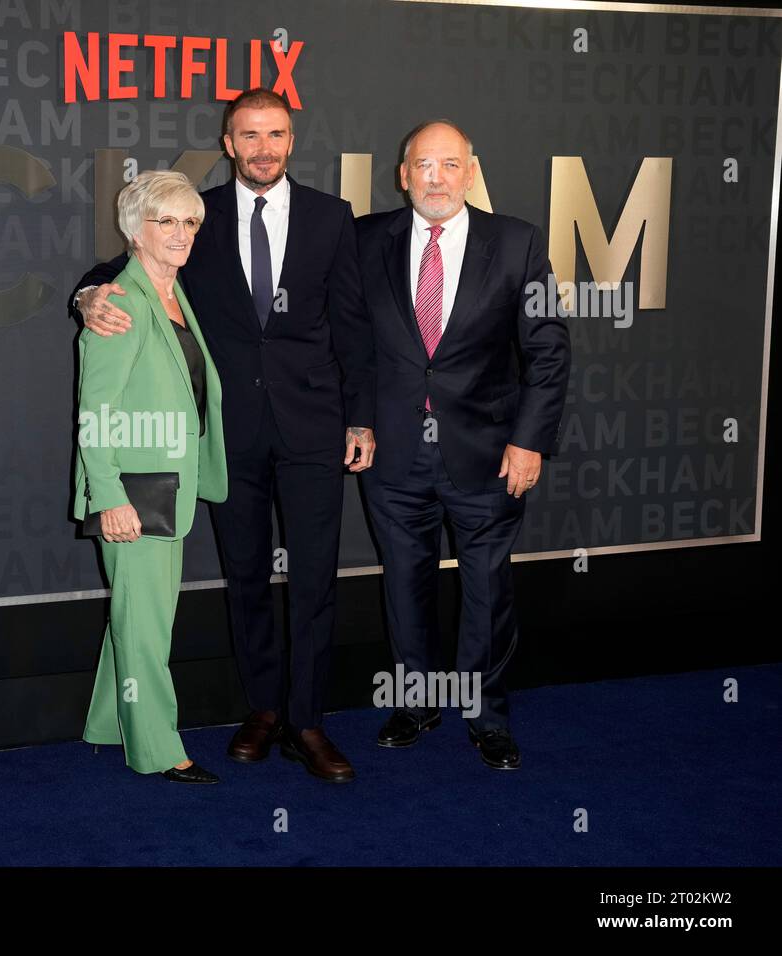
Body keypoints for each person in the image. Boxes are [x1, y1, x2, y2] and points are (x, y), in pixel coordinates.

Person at [72, 88, 374, 783]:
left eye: (276, 134)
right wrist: (85, 297)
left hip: (313, 430)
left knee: (314, 579)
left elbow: (354, 326)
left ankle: (307, 720)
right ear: (229, 142)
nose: (263, 147)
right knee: (245, 577)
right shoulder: (196, 216)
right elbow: (125, 268)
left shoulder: (331, 218)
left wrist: (359, 417)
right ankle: (263, 708)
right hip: (224, 440)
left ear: (291, 140)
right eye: (248, 135)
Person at [356, 120, 570, 769]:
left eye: (450, 165)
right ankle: (417, 702)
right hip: (392, 453)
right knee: (404, 583)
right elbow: (345, 345)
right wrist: (356, 419)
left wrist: (530, 442)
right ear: (402, 174)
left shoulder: (517, 243)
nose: (436, 178)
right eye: (424, 165)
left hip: (486, 451)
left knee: (485, 587)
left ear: (471, 171)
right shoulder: (364, 239)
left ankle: (486, 715)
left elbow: (548, 350)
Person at [74, 170, 228, 784]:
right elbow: (95, 411)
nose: (181, 232)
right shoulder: (119, 302)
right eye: (166, 220)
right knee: (147, 623)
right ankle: (160, 750)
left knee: (140, 614)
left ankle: (110, 724)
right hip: (134, 492)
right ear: (134, 230)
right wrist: (109, 497)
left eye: (190, 221)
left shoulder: (173, 292)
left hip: (167, 485)